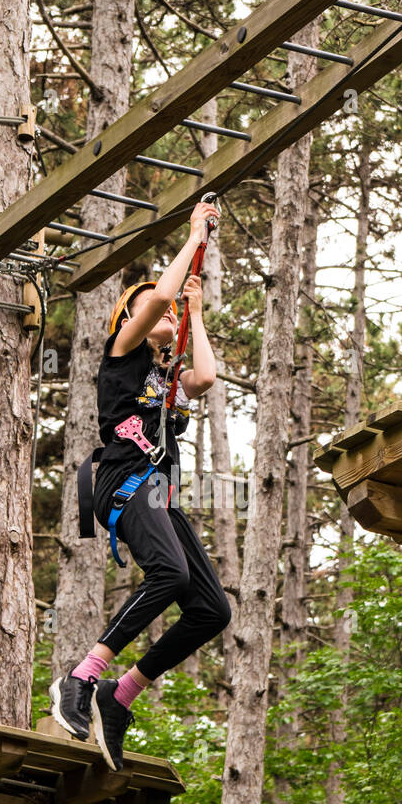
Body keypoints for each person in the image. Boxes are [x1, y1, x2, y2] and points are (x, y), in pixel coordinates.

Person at [50, 202, 232, 771]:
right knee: (171, 574)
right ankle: (81, 678)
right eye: (158, 306)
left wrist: (195, 315)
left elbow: (204, 377)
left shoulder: (164, 377)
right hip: (124, 482)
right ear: (128, 317)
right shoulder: (121, 356)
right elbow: (154, 299)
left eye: (171, 312)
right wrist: (194, 234)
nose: (168, 311)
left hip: (158, 493)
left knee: (211, 610)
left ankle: (119, 695)